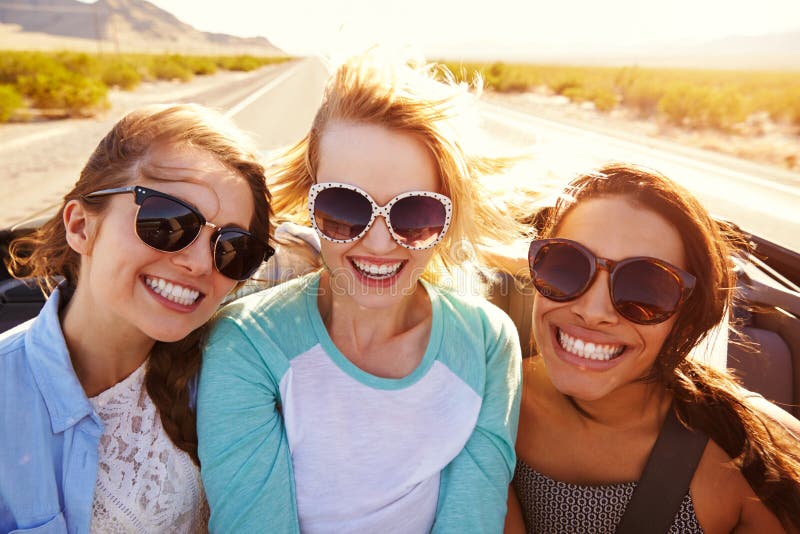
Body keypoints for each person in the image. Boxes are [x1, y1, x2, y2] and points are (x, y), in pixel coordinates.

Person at [197, 53, 527, 533]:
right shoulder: (247, 343)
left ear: (449, 215)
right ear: (309, 202)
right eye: (343, 207)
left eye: (415, 214)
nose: (377, 243)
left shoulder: (488, 340)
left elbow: (471, 518)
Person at [0, 103, 274, 533]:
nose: (201, 264)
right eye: (167, 222)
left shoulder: (237, 375)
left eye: (233, 248)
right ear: (81, 226)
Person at [505, 163, 800, 533]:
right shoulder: (484, 399)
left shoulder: (748, 458)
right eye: (565, 266)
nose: (593, 312)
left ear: (687, 320)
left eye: (645, 288)